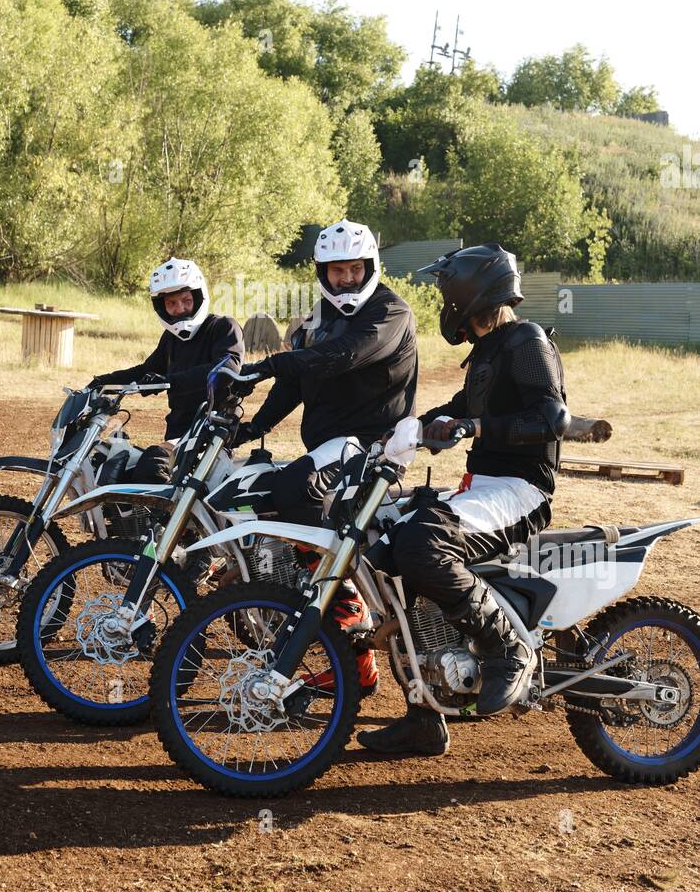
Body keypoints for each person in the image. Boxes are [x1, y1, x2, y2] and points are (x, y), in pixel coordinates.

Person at [358, 242, 570, 758]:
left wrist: (476, 426)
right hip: (485, 485)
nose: (440, 297)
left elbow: (552, 418)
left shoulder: (525, 340)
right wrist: (400, 432)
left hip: (522, 491)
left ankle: (506, 648)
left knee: (421, 545)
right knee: (388, 547)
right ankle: (425, 714)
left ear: (470, 290)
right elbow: (456, 408)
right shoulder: (488, 352)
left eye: (444, 287)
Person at [237, 219, 418, 697]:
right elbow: (296, 382)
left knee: (293, 489)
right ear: (322, 271)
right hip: (333, 448)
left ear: (371, 266)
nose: (346, 280)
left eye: (355, 268)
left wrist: (269, 362)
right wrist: (253, 427)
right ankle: (351, 642)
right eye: (336, 271)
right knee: (266, 493)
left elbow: (344, 356)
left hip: (376, 446)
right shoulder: (317, 316)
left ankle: (347, 597)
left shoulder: (391, 311)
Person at [88, 257, 244, 481]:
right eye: (171, 303)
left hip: (210, 434)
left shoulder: (222, 327)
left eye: (186, 300)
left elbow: (227, 369)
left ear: (199, 296)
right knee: (112, 463)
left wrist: (169, 381)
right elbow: (145, 370)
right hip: (177, 435)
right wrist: (101, 382)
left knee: (152, 467)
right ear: (162, 307)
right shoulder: (171, 339)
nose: (180, 309)